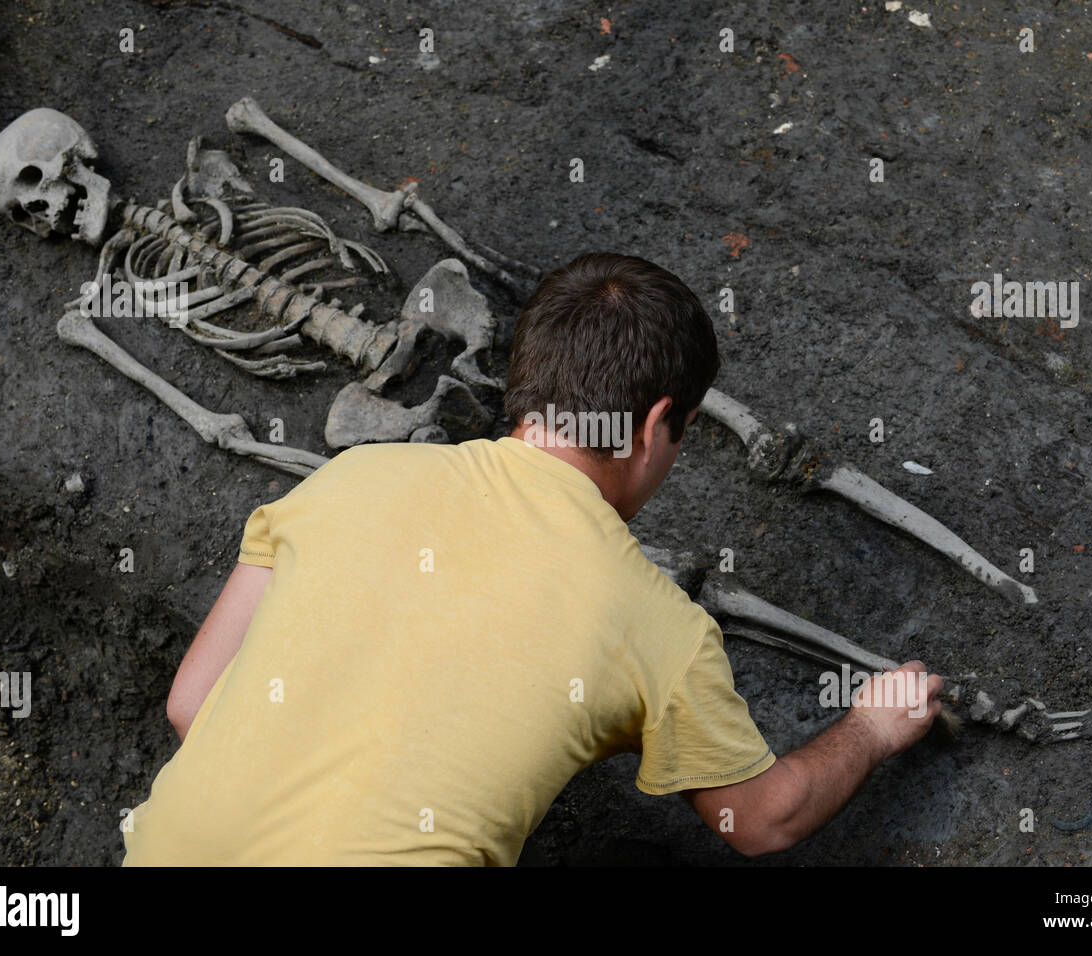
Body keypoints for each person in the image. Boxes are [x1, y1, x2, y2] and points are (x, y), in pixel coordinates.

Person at [121, 252, 942, 865]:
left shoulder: (355, 473)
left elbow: (193, 704)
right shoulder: (660, 628)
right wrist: (873, 726)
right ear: (657, 426)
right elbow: (765, 820)